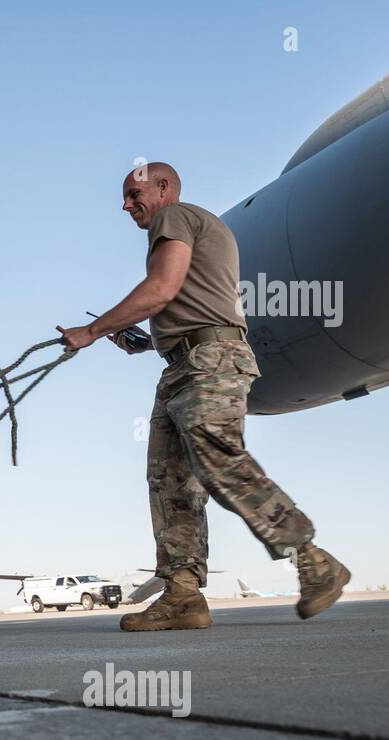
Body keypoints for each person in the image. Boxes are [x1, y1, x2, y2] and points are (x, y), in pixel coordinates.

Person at [56, 162, 350, 631]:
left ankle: (313, 560)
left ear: (164, 188)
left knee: (220, 461)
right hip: (183, 364)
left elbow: (161, 289)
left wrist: (91, 331)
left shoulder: (175, 217)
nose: (127, 206)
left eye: (135, 195)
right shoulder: (190, 226)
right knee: (171, 483)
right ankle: (182, 595)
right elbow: (182, 302)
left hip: (209, 360)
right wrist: (135, 339)